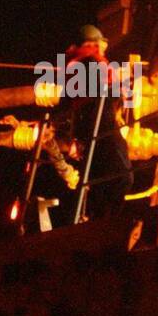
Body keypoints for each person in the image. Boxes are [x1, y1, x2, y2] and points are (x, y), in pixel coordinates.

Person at [57, 24, 132, 219]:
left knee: (100, 177)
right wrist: (124, 83)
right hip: (101, 124)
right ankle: (107, 221)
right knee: (122, 177)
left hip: (87, 128)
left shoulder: (74, 64)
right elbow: (111, 91)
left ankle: (97, 219)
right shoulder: (92, 61)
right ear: (94, 43)